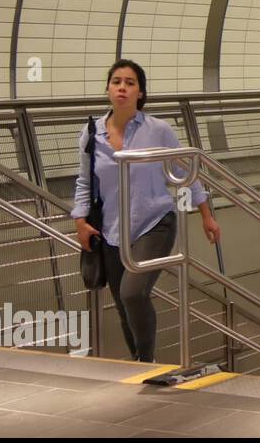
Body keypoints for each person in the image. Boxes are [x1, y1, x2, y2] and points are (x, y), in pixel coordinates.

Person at [72, 59, 221, 363]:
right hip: (111, 230)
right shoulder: (92, 133)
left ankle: (146, 361)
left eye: (130, 83)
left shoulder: (158, 130)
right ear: (108, 89)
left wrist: (206, 213)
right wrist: (80, 221)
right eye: (117, 82)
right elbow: (85, 181)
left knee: (133, 293)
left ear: (140, 92)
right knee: (122, 303)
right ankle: (139, 364)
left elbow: (186, 169)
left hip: (155, 222)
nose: (122, 88)